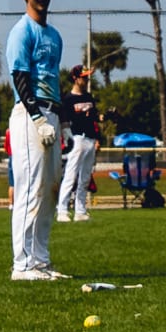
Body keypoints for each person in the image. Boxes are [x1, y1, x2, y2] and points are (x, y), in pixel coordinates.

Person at [5, 0, 66, 279]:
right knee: (30, 189)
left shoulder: (54, 36)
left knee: (49, 190)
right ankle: (23, 264)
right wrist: (38, 118)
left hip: (51, 113)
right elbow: (20, 77)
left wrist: (60, 121)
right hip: (30, 114)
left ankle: (40, 260)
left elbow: (53, 81)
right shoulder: (22, 31)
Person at [56, 65, 101, 222]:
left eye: (87, 77)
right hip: (77, 139)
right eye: (84, 77)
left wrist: (104, 118)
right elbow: (67, 120)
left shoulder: (88, 97)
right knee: (70, 175)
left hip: (90, 138)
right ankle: (62, 210)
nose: (87, 80)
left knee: (85, 177)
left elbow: (95, 117)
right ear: (75, 78)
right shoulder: (68, 99)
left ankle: (80, 210)